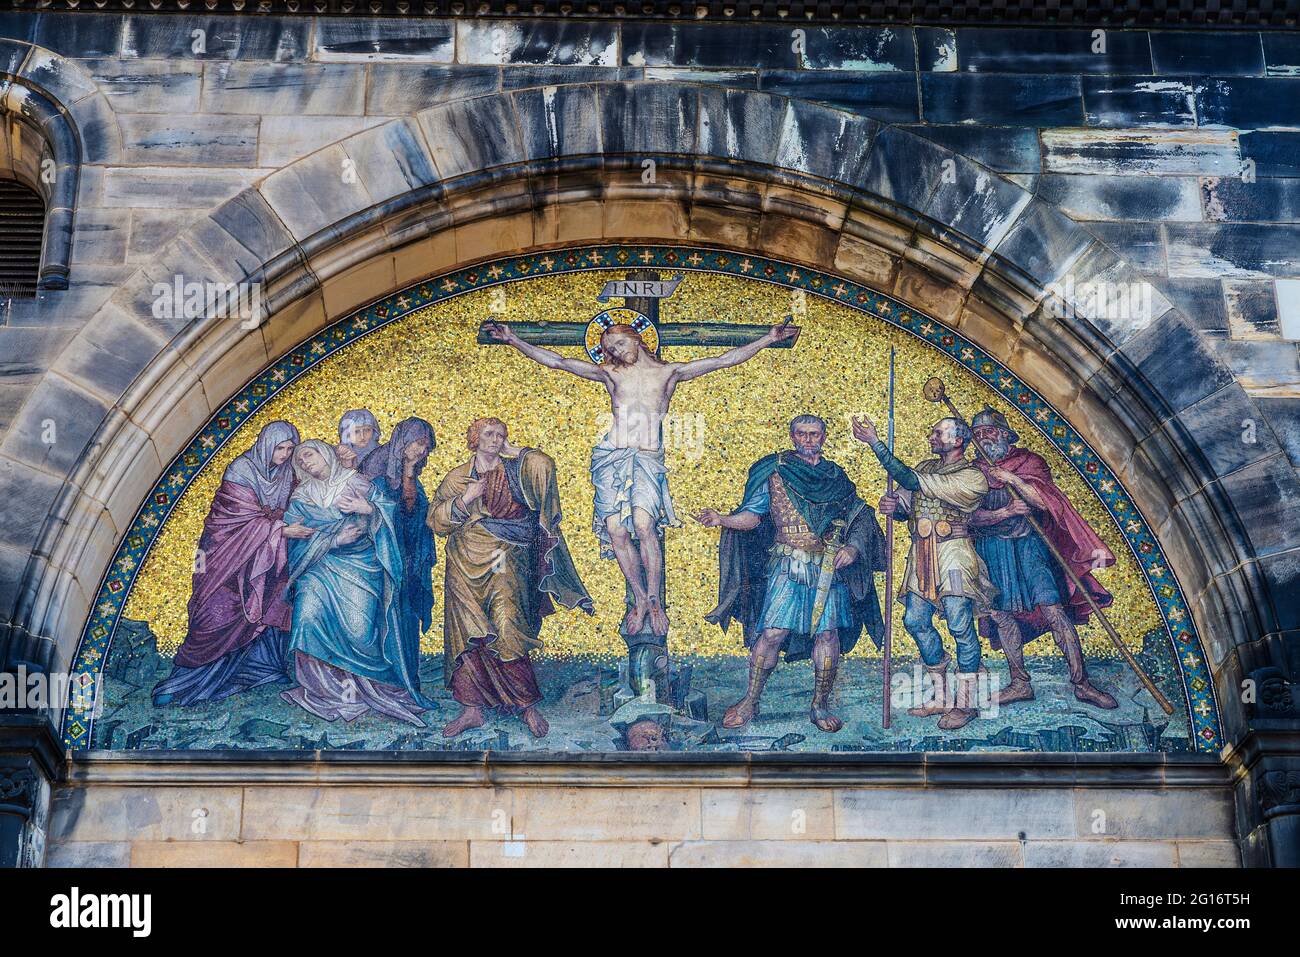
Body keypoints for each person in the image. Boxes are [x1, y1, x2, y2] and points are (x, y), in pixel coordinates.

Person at [483, 318, 797, 637]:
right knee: (616, 530)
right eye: (608, 349)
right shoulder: (611, 374)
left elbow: (722, 360)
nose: (615, 352)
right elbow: (560, 362)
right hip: (610, 459)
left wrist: (768, 339)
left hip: (646, 459)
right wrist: (513, 340)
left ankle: (654, 598)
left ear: (636, 339)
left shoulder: (668, 373)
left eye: (618, 344)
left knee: (645, 525)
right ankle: (639, 600)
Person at [698, 415, 886, 733]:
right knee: (772, 634)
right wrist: (723, 520)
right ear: (792, 436)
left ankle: (819, 705)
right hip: (788, 564)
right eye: (802, 434)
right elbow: (753, 517)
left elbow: (861, 515)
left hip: (827, 568)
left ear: (824, 437)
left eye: (815, 434)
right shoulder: (774, 471)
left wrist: (853, 549)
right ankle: (750, 700)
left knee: (828, 636)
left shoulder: (835, 476)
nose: (808, 440)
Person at [429, 417, 593, 739]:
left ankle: (527, 706)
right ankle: (472, 710)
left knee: (507, 623)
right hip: (464, 561)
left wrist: (516, 451)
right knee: (468, 634)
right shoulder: (458, 477)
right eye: (488, 434)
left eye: (501, 435)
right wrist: (465, 499)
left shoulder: (516, 471)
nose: (495, 439)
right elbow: (435, 520)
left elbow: (545, 467)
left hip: (505, 557)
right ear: (474, 438)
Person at [967, 406, 1118, 709]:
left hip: (1030, 545)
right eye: (978, 434)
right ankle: (1020, 683)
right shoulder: (972, 473)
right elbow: (968, 518)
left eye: (990, 431)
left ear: (1006, 435)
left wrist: (1012, 478)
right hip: (992, 549)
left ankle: (1082, 683)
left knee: (1053, 608)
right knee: (1001, 615)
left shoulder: (1029, 462)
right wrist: (1004, 512)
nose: (984, 438)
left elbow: (1046, 502)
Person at [154, 420, 312, 706]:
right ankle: (182, 682)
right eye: (280, 448)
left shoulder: (289, 473)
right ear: (266, 445)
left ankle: (260, 668)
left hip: (268, 559)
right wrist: (280, 530)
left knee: (275, 604)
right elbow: (231, 522)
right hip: (226, 560)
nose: (285, 454)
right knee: (216, 614)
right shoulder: (241, 471)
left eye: (290, 449)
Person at [853, 414, 996, 731]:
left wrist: (876, 444)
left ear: (958, 440)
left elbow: (914, 482)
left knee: (960, 623)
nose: (931, 436)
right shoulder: (926, 467)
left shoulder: (973, 477)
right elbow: (910, 499)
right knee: (914, 620)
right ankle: (942, 697)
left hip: (954, 555)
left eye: (938, 432)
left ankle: (967, 703)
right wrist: (896, 506)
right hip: (921, 554)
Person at [280, 440, 432, 726]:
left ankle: (369, 690)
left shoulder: (358, 483)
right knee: (308, 616)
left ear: (325, 454)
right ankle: (324, 692)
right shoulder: (302, 495)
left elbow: (396, 521)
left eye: (309, 454)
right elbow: (295, 541)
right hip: (320, 568)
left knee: (361, 631)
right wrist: (333, 539)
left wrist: (370, 509)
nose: (305, 462)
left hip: (362, 566)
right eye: (300, 460)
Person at [360, 417, 438, 666]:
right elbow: (374, 511)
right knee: (386, 611)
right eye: (419, 444)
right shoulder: (376, 464)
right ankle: (387, 672)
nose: (422, 451)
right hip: (379, 555)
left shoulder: (410, 470)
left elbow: (414, 512)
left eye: (426, 447)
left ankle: (407, 674)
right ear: (404, 441)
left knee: (407, 611)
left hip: (407, 555)